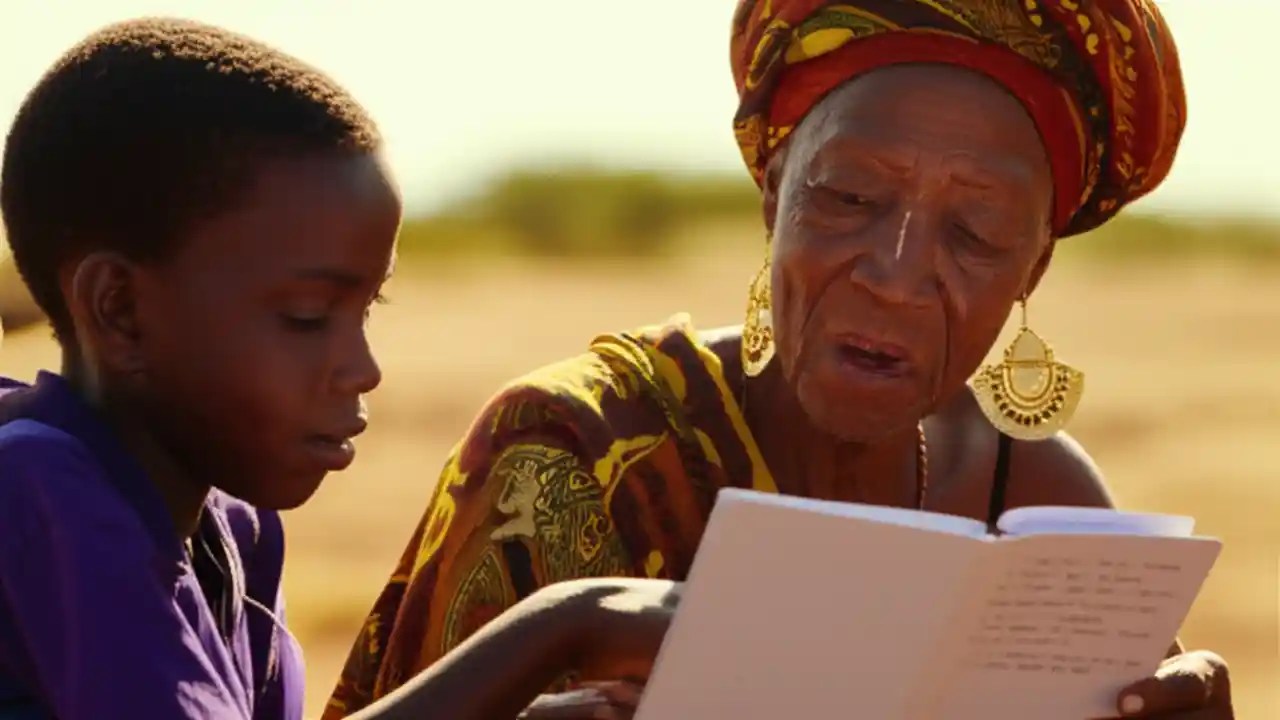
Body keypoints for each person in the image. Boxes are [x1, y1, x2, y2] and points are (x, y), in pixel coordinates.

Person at [324, 1, 1236, 719]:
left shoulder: (1035, 501)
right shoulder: (580, 453)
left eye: (976, 232)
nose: (895, 275)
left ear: (1033, 267)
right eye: (846, 197)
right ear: (774, 197)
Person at [0, 18, 678, 720]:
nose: (362, 369)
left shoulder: (235, 530)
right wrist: (567, 621)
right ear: (119, 310)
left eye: (367, 309)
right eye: (305, 316)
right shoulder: (32, 487)